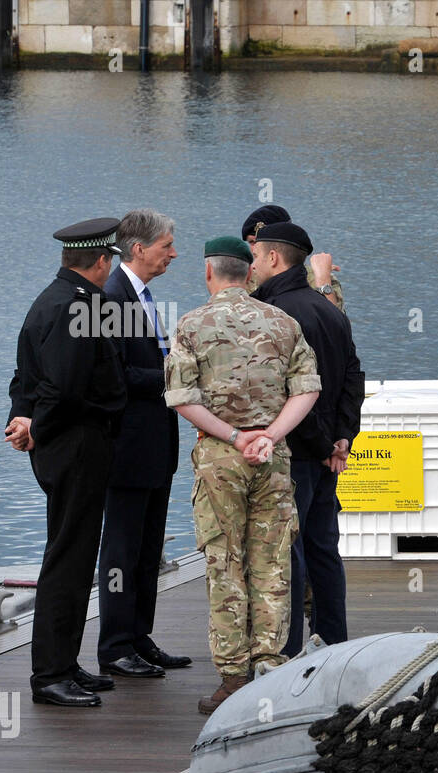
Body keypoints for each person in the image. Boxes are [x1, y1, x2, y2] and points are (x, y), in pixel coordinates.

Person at [164, 236, 321, 714]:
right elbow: (308, 390)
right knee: (273, 561)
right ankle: (270, 667)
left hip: (220, 460)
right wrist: (268, 436)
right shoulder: (283, 322)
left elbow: (182, 399)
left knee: (224, 561)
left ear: (209, 272)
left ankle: (233, 678)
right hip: (273, 458)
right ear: (248, 274)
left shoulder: (191, 324)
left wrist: (234, 437)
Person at [6, 218, 127, 707]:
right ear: (100, 261)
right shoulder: (77, 308)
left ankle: (66, 662)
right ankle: (50, 674)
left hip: (68, 442)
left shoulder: (54, 299)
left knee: (75, 557)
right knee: (68, 560)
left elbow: (25, 379)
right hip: (74, 445)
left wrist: (22, 417)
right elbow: (62, 388)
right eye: (111, 260)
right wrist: (35, 426)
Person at [250, 221, 364, 658]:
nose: (253, 266)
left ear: (275, 258)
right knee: (324, 551)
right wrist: (342, 439)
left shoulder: (276, 316)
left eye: (257, 257)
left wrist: (322, 445)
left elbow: (295, 392)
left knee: (288, 555)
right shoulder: (329, 309)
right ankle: (334, 645)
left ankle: (288, 651)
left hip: (295, 455)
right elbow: (353, 377)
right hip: (326, 455)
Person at [96, 209, 190, 679]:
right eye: (166, 246)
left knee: (148, 545)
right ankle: (114, 644)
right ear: (138, 248)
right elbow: (117, 377)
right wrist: (177, 377)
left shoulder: (142, 297)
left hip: (154, 447)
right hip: (128, 449)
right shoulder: (111, 299)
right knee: (121, 548)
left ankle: (138, 635)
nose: (173, 254)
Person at [240, 205, 344, 311]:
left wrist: (323, 280)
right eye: (251, 242)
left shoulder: (316, 279)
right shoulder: (244, 278)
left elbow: (335, 323)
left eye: (259, 242)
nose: (254, 249)